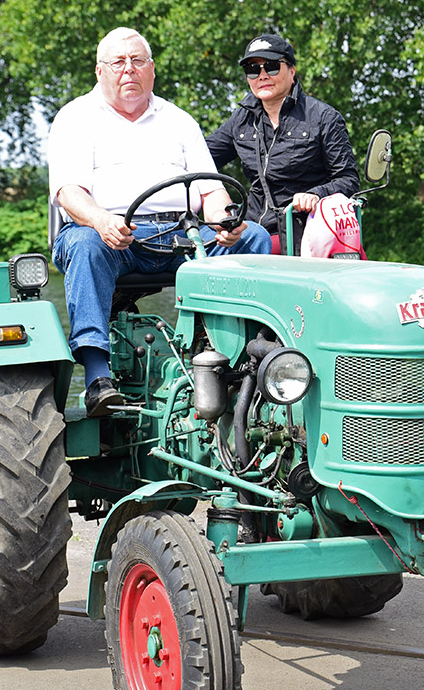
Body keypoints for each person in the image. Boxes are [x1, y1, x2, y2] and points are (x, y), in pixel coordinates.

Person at [48, 27, 271, 417]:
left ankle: (241, 359)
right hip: (111, 236)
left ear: (151, 70)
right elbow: (69, 193)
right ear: (100, 71)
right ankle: (98, 377)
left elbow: (210, 190)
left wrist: (223, 219)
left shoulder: (178, 120)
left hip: (179, 234)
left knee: (251, 237)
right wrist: (102, 221)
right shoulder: (75, 118)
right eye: (118, 62)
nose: (128, 70)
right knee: (85, 245)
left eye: (137, 61)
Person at [206, 33, 360, 254]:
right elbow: (200, 159)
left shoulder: (323, 117)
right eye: (252, 69)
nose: (262, 75)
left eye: (271, 66)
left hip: (304, 234)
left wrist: (316, 194)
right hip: (252, 231)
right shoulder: (241, 120)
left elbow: (349, 180)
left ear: (292, 70)